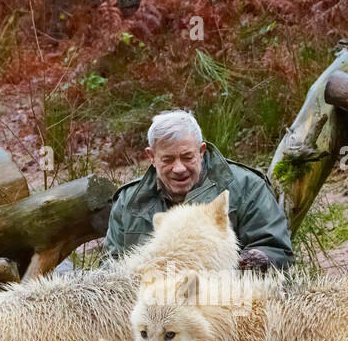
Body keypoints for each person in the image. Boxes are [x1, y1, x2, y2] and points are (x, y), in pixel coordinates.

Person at [103, 110, 293, 270]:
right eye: (168, 159)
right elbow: (111, 268)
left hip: (227, 302)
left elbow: (277, 250)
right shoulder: (128, 201)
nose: (179, 168)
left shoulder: (247, 187)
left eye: (187, 157)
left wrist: (244, 263)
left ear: (201, 151)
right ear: (151, 156)